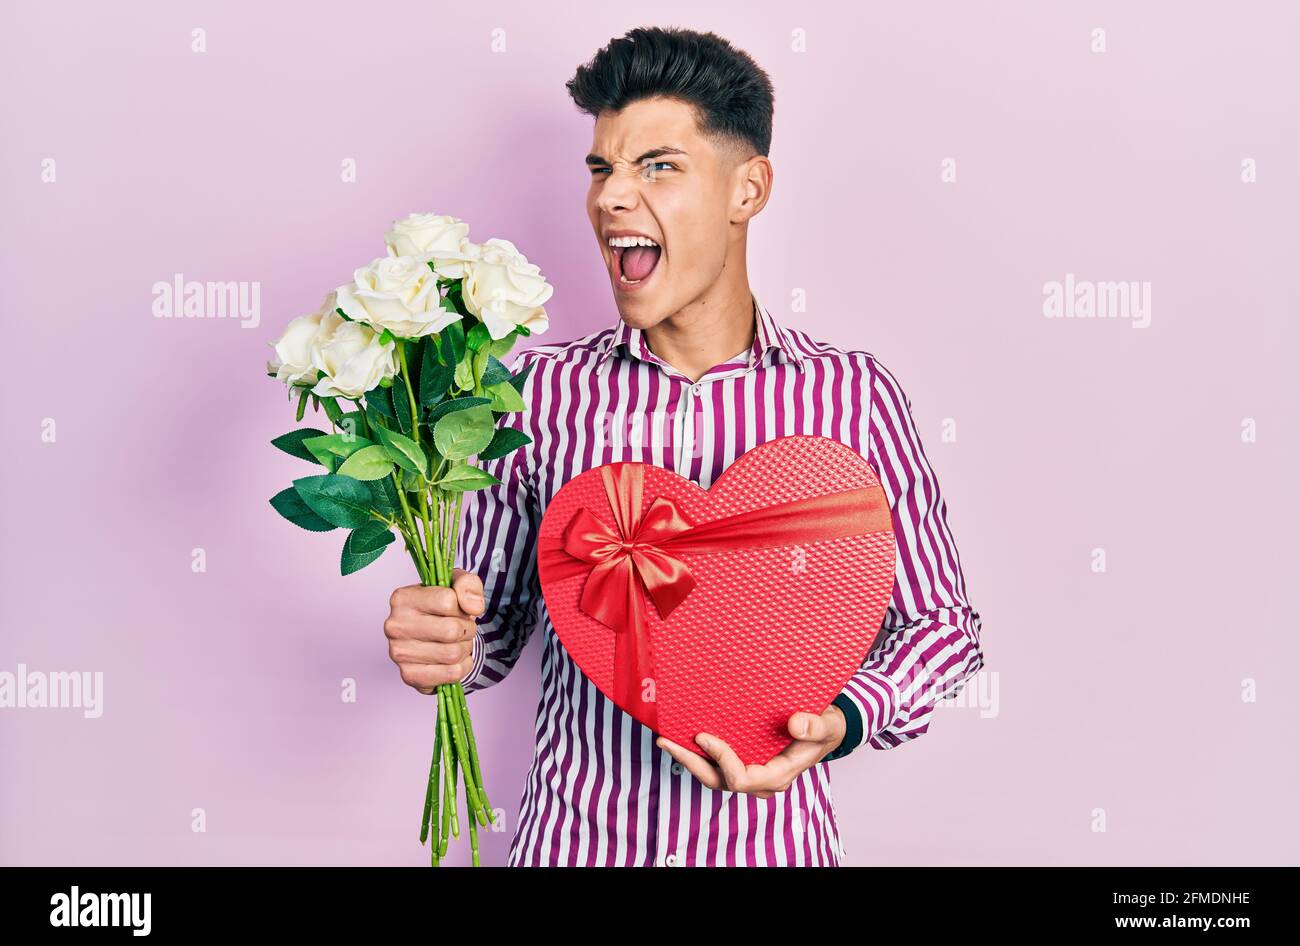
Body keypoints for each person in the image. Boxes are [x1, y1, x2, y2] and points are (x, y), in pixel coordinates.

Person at [383, 26, 983, 866]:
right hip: (571, 846)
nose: (611, 199)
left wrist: (842, 720)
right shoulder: (537, 394)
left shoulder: (853, 396)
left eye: (657, 166)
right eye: (601, 170)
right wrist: (447, 641)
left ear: (749, 189)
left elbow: (942, 626)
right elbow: (497, 627)